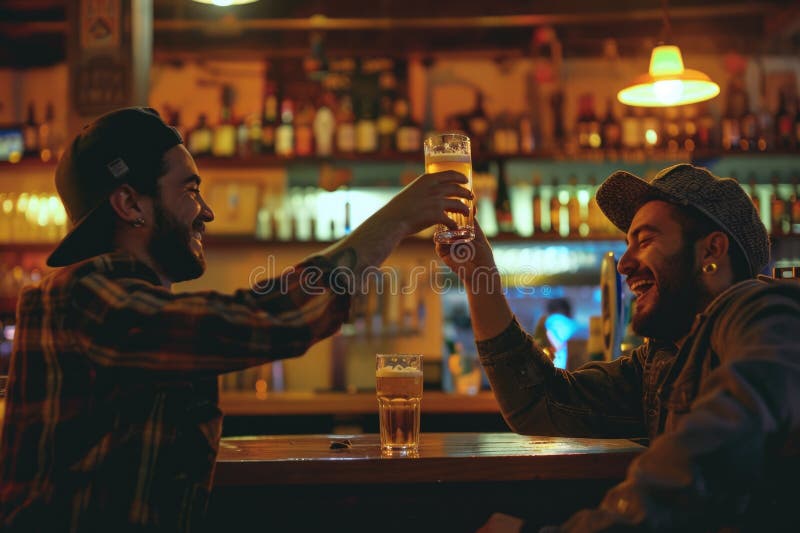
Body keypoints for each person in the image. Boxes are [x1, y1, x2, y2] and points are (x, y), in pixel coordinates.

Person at [0, 107, 472, 532]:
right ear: (129, 204)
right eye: (189, 189)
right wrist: (393, 220)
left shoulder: (122, 302)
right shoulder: (80, 298)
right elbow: (265, 320)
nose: (205, 212)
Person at [438, 163, 800, 531]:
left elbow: (719, 440)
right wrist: (477, 271)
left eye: (645, 241)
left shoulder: (761, 312)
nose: (625, 264)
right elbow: (539, 403)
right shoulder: (661, 360)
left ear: (712, 250)